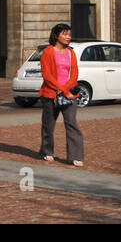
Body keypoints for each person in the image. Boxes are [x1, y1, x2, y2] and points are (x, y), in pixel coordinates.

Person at [38, 22, 84, 167]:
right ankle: (47, 151)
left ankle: (75, 156)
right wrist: (61, 89)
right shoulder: (48, 52)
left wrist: (66, 90)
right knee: (48, 125)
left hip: (69, 94)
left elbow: (74, 74)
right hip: (51, 94)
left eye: (69, 34)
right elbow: (47, 75)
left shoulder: (71, 53)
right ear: (56, 35)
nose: (68, 37)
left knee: (72, 124)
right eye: (65, 34)